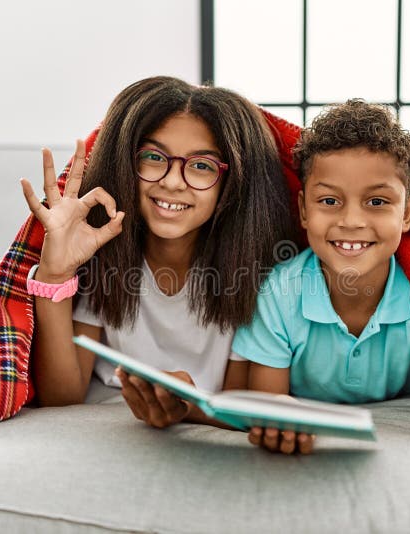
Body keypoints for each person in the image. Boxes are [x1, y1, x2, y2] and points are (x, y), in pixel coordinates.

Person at [232, 99, 410, 454]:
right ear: (303, 209)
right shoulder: (279, 294)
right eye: (330, 201)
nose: (351, 221)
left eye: (377, 202)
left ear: (408, 213)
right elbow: (267, 413)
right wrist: (277, 418)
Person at [19, 76, 295, 428]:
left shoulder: (256, 275)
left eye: (201, 166)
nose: (172, 181)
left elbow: (243, 406)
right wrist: (55, 275)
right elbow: (62, 397)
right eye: (153, 157)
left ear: (233, 184)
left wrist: (188, 407)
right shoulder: (105, 253)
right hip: (111, 425)